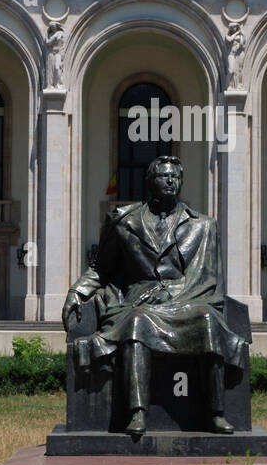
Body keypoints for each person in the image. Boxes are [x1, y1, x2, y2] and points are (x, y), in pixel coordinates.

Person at [62, 156, 245, 435]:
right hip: (139, 300)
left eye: (176, 177)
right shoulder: (124, 221)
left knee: (209, 319)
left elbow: (209, 278)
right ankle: (137, 413)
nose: (171, 181)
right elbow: (100, 268)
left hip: (188, 299)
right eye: (164, 176)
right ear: (150, 182)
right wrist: (77, 291)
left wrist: (176, 294)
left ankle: (216, 413)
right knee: (138, 321)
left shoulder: (203, 226)